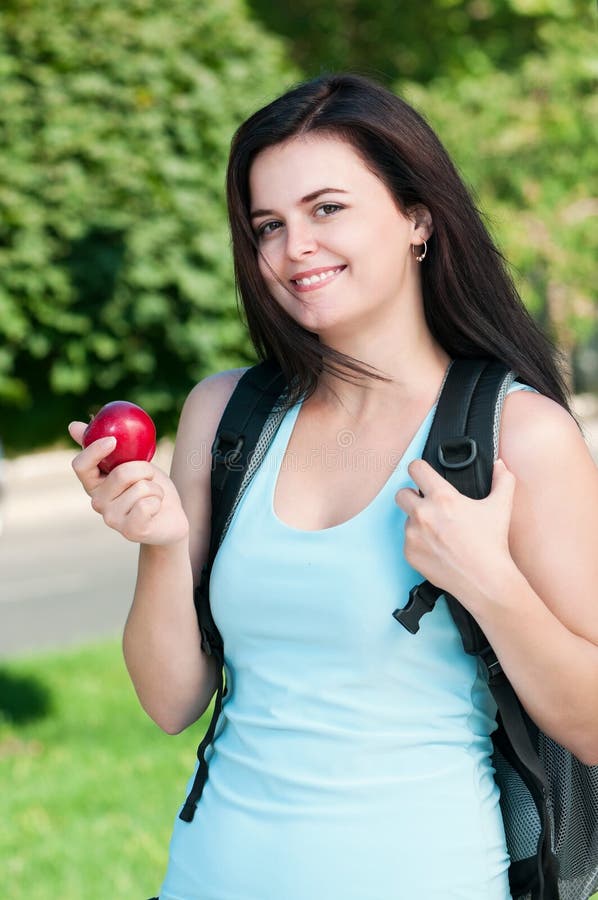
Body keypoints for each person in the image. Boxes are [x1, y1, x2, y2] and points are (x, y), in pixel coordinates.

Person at [69, 73, 598, 900]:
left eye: (327, 209)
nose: (293, 249)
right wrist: (163, 545)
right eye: (268, 226)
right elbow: (169, 702)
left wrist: (489, 582)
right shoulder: (226, 414)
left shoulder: (518, 435)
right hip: (209, 879)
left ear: (417, 218)